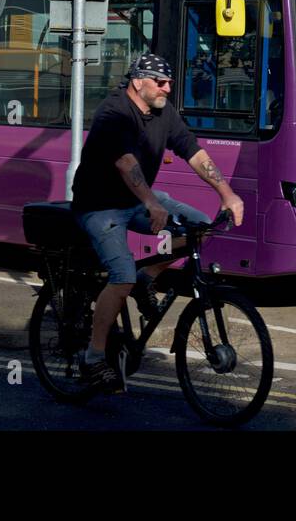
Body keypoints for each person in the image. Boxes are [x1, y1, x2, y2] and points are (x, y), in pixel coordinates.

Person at [71, 53, 244, 394]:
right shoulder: (114, 112)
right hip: (100, 206)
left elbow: (194, 151)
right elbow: (124, 162)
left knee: (200, 226)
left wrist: (227, 193)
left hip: (137, 200)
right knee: (118, 275)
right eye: (160, 82)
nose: (168, 87)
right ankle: (93, 358)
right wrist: (151, 203)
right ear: (138, 82)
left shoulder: (164, 112)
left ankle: (146, 278)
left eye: (169, 82)